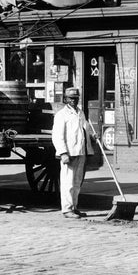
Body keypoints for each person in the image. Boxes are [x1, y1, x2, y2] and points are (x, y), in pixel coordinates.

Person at [52, 87, 97, 219]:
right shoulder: (61, 115)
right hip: (69, 153)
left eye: (76, 98)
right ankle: (67, 209)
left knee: (77, 183)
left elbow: (85, 128)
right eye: (71, 98)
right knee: (68, 183)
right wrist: (63, 153)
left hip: (81, 151)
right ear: (66, 99)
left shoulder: (80, 113)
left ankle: (74, 207)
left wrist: (92, 135)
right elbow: (57, 136)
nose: (73, 100)